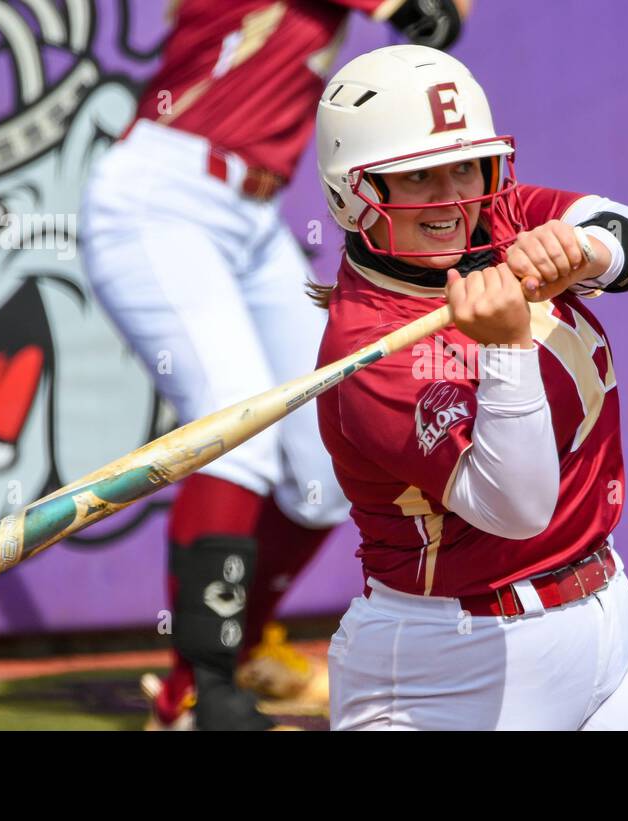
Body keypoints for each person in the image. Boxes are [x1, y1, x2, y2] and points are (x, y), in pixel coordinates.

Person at [310, 44, 628, 730]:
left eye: (464, 165)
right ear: (357, 193)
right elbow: (518, 505)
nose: (451, 197)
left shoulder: (497, 216)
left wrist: (583, 251)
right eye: (418, 177)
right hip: (450, 671)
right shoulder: (367, 351)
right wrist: (507, 347)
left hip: (611, 630)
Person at [79, 0, 471, 730]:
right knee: (237, 424)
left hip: (252, 217)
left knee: (335, 448)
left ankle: (245, 643)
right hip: (161, 199)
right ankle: (196, 690)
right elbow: (430, 18)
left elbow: (441, 22)